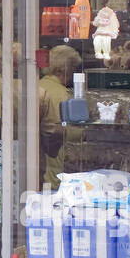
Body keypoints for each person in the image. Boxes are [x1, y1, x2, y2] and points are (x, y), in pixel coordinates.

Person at [37, 43, 81, 189]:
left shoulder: (39, 84)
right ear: (65, 69)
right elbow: (57, 131)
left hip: (39, 163)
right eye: (73, 69)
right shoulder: (59, 93)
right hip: (52, 169)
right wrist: (87, 133)